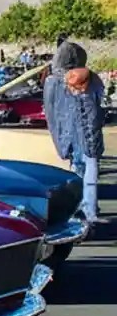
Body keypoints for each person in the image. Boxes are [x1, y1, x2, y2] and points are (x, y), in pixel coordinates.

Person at [45, 40, 106, 223]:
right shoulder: (90, 78)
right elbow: (99, 103)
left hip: (67, 135)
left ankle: (77, 208)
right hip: (89, 133)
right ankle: (89, 210)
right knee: (90, 170)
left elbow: (50, 111)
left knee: (76, 171)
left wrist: (57, 137)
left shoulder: (52, 81)